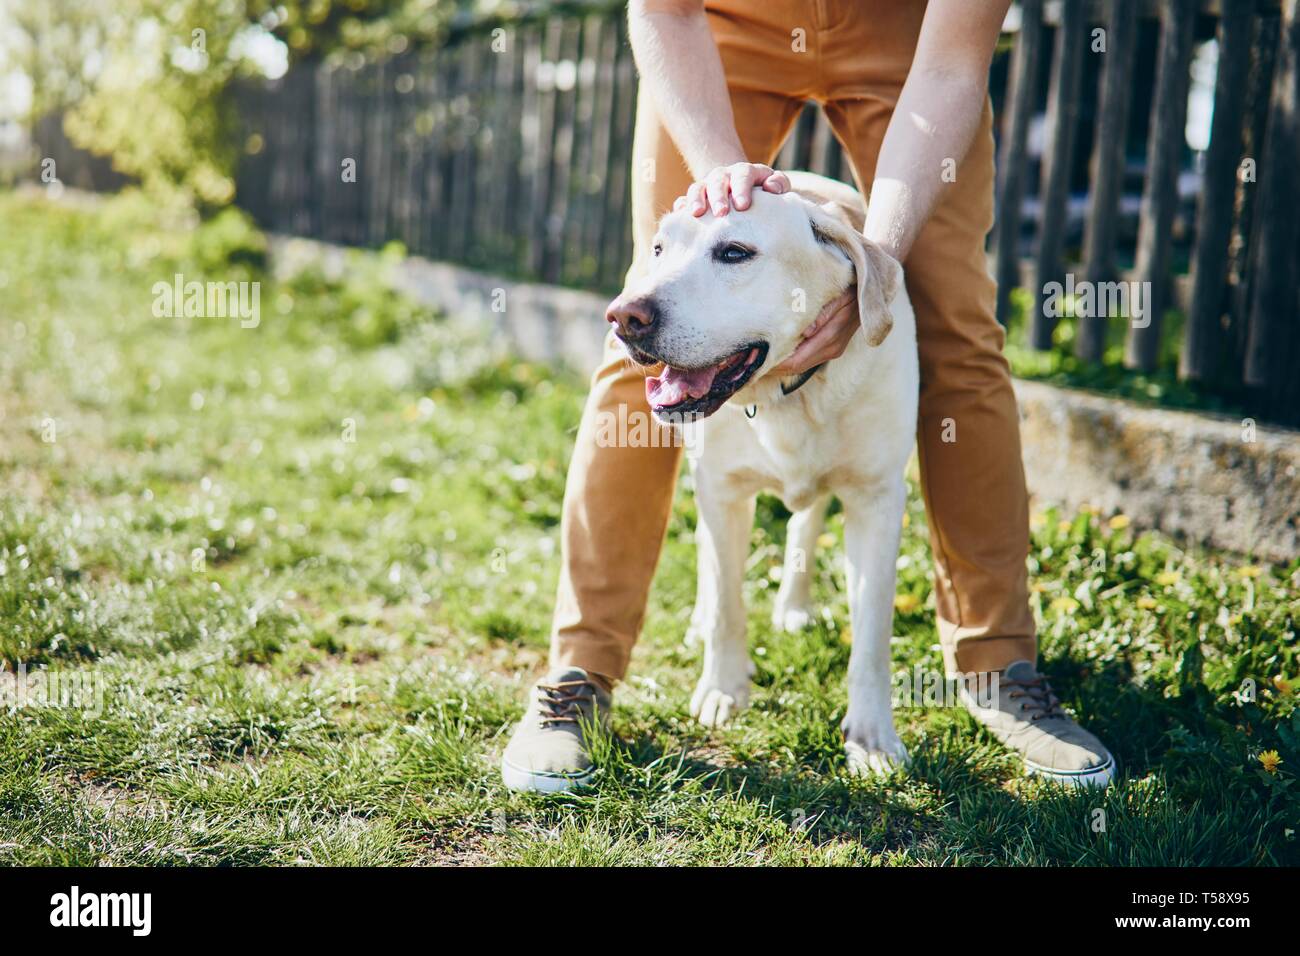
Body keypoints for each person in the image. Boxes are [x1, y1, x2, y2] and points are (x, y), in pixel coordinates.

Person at [501, 0, 1114, 793]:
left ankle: (1001, 670)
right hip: (715, 22)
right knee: (646, 335)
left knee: (957, 331)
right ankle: (580, 677)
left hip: (911, 35)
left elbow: (953, 61)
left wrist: (875, 267)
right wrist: (725, 182)